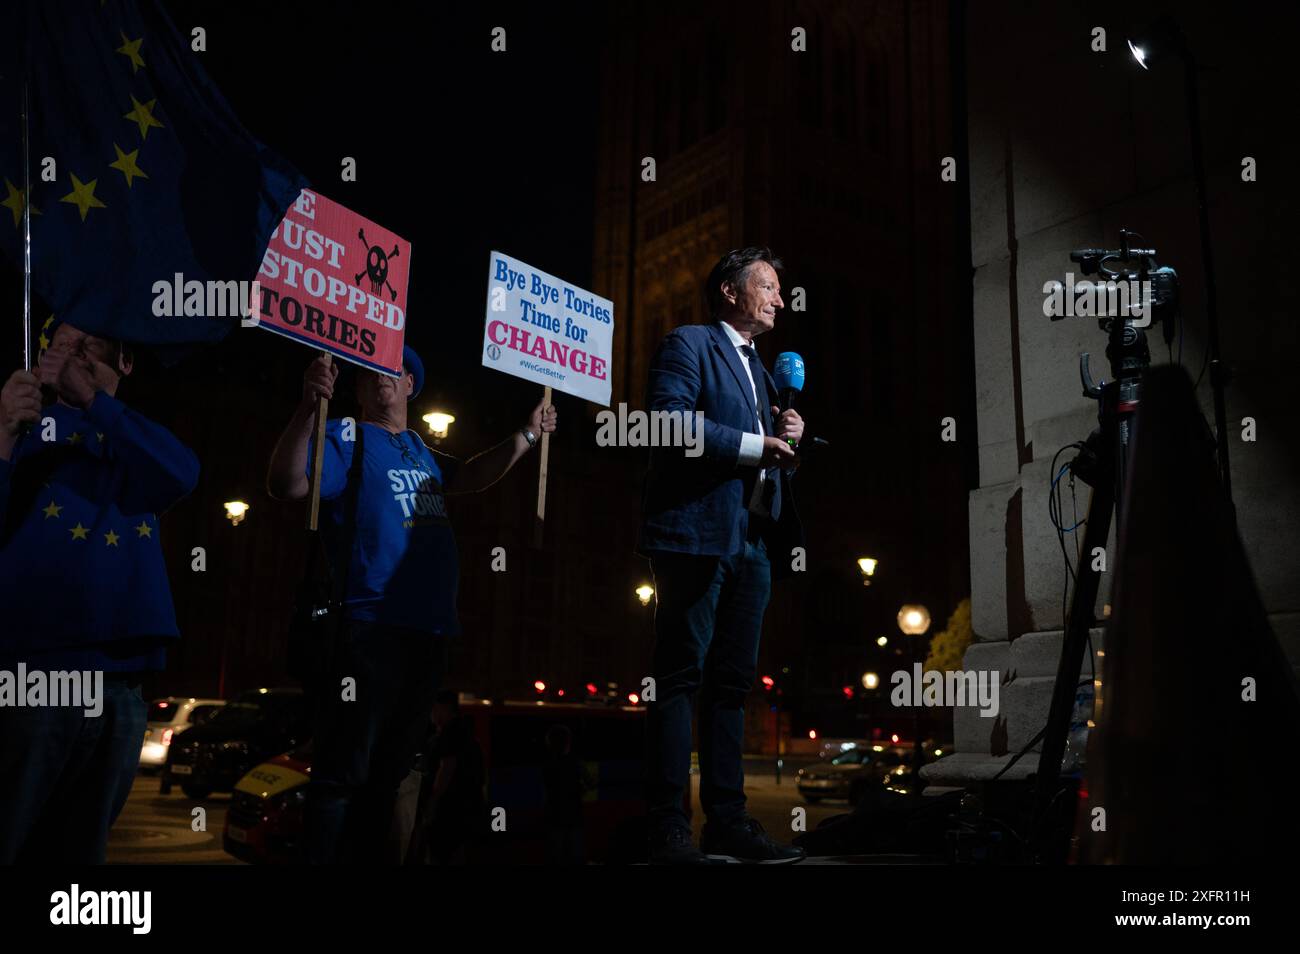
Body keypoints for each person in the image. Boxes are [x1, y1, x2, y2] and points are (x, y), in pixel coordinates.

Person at [267, 345, 554, 864]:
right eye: (369, 368)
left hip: (426, 634)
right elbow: (287, 484)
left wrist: (529, 436)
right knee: (343, 773)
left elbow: (469, 474)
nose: (381, 374)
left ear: (409, 385)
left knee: (389, 774)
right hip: (368, 628)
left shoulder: (421, 449)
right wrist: (309, 408)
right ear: (355, 387)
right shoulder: (345, 436)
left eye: (392, 367)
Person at [0, 319, 199, 863]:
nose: (72, 354)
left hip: (119, 685)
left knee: (79, 856)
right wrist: (2, 438)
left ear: (126, 361)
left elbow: (183, 473)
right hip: (33, 674)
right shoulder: (20, 426)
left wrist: (93, 402)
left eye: (89, 344)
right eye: (61, 344)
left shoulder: (134, 441)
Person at [637, 247, 807, 864]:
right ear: (731, 292)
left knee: (732, 686)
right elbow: (669, 425)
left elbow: (765, 453)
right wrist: (755, 445)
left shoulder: (765, 373)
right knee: (680, 676)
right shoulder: (688, 344)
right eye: (768, 284)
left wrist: (788, 437)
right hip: (695, 535)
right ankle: (666, 827)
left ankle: (728, 823)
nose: (781, 298)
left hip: (753, 542)